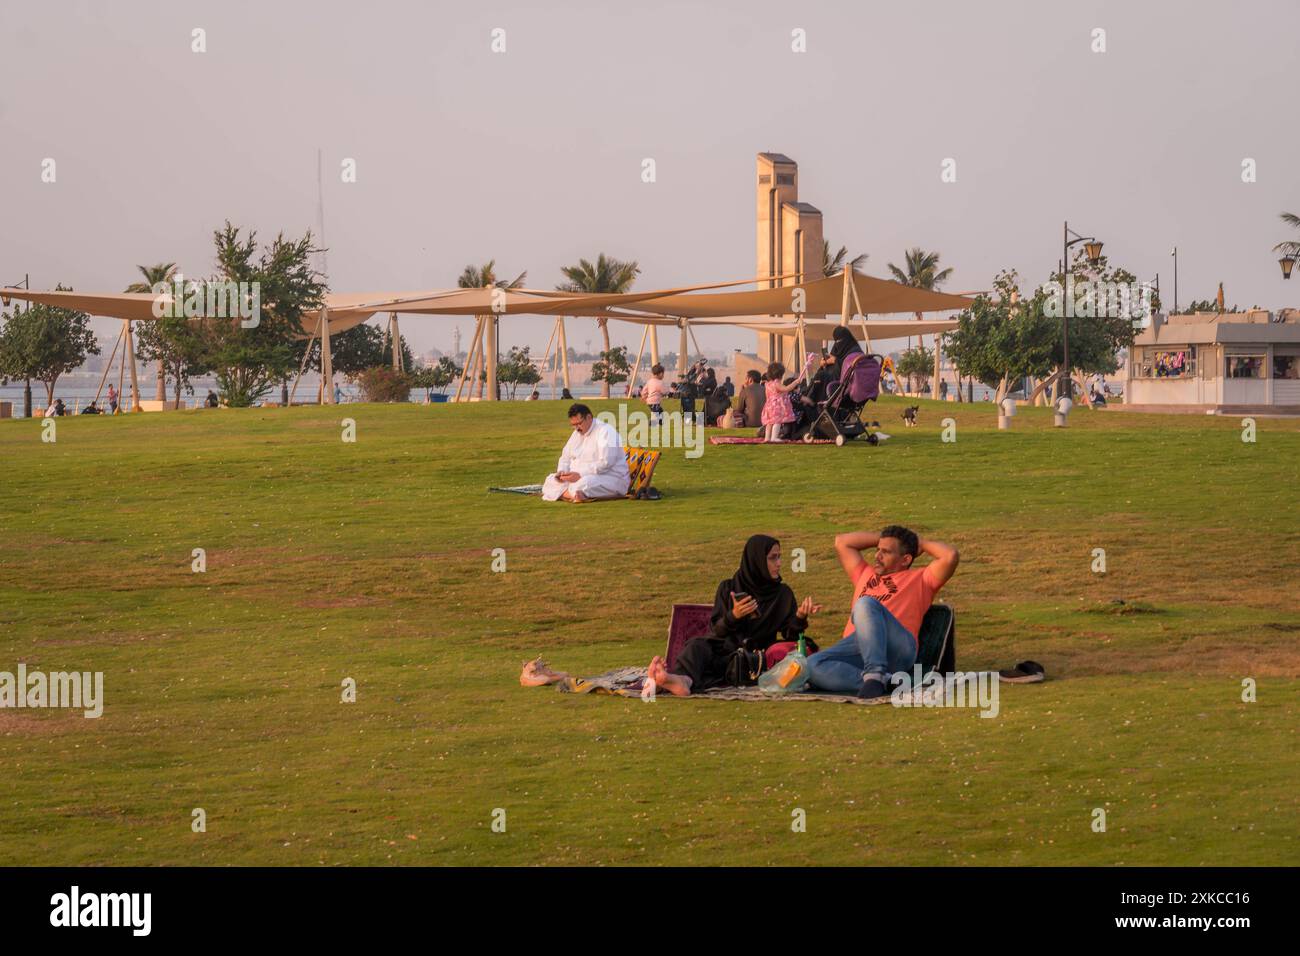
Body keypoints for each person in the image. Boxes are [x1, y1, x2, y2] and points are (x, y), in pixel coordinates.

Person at [649, 534, 821, 696]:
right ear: (756, 561)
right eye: (773, 558)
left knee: (785, 658)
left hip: (756, 660)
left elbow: (790, 636)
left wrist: (800, 617)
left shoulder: (783, 594)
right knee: (697, 645)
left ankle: (668, 680)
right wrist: (734, 615)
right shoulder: (728, 588)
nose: (779, 563)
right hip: (724, 653)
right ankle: (680, 681)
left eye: (779, 557)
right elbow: (716, 632)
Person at [806, 526, 960, 700]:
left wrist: (920, 543)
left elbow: (950, 556)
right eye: (877, 549)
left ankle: (875, 674)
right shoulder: (864, 574)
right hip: (858, 647)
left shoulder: (922, 579)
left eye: (885, 552)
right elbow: (842, 542)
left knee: (865, 603)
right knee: (810, 665)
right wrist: (885, 538)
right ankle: (885, 682)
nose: (877, 556)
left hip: (896, 647)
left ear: (905, 559)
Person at [541, 403, 631, 502]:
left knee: (583, 484)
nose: (576, 428)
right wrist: (562, 472)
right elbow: (565, 457)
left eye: (579, 423)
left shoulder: (606, 431)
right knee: (550, 480)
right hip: (578, 477)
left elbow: (606, 463)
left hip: (611, 478)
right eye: (573, 425)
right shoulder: (577, 433)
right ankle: (573, 496)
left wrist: (580, 474)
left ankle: (566, 494)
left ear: (589, 417)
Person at [760, 362, 798, 442]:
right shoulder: (776, 384)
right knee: (777, 421)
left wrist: (768, 404)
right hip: (777, 406)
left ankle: (767, 438)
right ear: (780, 374)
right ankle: (774, 437)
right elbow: (787, 389)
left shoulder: (768, 384)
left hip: (769, 405)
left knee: (769, 422)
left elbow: (767, 396)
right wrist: (795, 382)